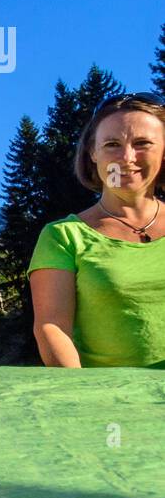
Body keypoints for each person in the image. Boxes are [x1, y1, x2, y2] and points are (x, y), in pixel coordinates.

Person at [28, 92, 165, 368]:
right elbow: (51, 327)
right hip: (112, 405)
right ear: (93, 153)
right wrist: (82, 396)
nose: (127, 158)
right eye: (112, 144)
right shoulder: (64, 235)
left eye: (142, 143)